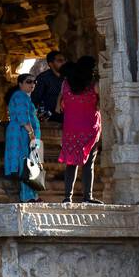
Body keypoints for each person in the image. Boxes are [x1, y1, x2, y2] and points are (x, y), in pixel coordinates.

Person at [58, 56, 102, 204]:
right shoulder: (94, 84)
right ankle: (87, 197)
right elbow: (102, 101)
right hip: (90, 127)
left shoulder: (66, 84)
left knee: (71, 162)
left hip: (71, 128)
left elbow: (60, 105)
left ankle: (67, 198)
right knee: (89, 163)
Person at [4, 74, 42, 202]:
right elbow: (23, 118)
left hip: (22, 133)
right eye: (29, 81)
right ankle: (28, 196)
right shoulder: (20, 96)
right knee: (26, 164)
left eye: (34, 82)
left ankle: (31, 195)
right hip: (22, 134)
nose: (32, 84)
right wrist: (32, 135)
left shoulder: (24, 97)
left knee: (28, 163)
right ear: (20, 84)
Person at [31, 51, 66, 124]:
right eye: (60, 61)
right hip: (49, 115)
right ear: (51, 64)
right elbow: (35, 99)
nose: (64, 63)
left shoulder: (67, 78)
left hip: (67, 113)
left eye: (64, 60)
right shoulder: (43, 78)